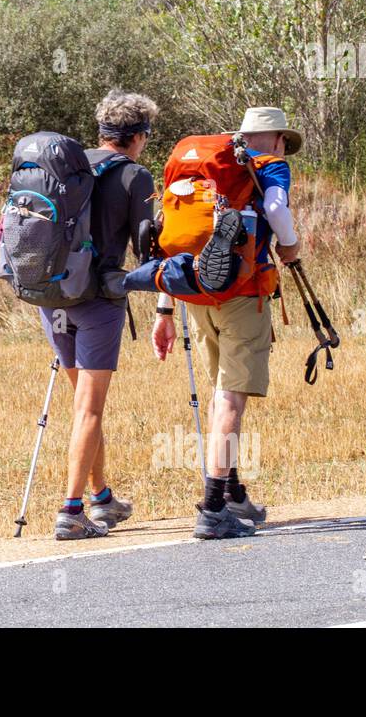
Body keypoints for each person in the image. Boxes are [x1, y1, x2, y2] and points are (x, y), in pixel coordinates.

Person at [147, 107, 303, 539]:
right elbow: (275, 207)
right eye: (284, 141)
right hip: (240, 294)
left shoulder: (206, 172)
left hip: (194, 294)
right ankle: (213, 507)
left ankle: (233, 492)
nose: (284, 148)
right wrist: (290, 247)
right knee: (230, 398)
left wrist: (164, 309)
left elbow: (176, 241)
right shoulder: (269, 166)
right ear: (273, 139)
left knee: (220, 395)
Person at [44, 90, 158, 540]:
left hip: (52, 300)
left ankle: (102, 498)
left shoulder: (69, 167)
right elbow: (146, 245)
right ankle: (71, 512)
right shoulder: (135, 176)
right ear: (139, 136)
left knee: (82, 407)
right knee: (89, 409)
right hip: (98, 303)